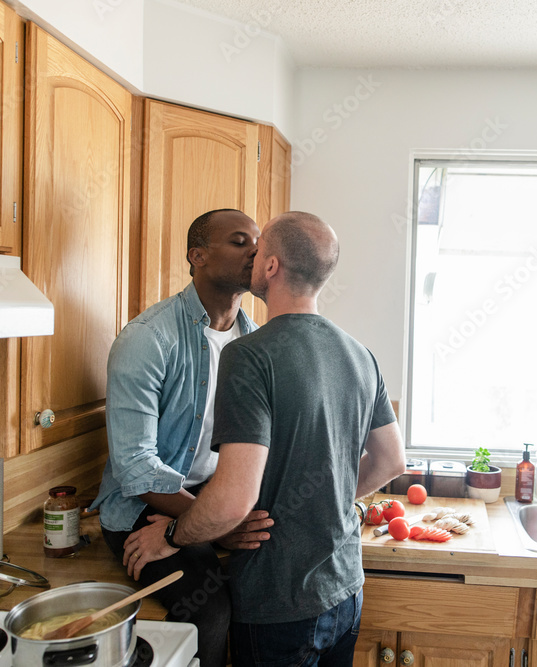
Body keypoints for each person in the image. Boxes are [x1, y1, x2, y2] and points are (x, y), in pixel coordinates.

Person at [122, 211, 407, 666]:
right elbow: (392, 461)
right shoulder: (360, 354)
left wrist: (173, 535)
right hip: (346, 590)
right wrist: (327, 499)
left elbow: (235, 499)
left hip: (280, 605)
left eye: (259, 249)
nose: (252, 255)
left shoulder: (250, 355)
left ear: (271, 268)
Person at [90, 208, 274, 667]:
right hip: (143, 506)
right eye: (238, 241)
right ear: (197, 256)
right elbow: (135, 468)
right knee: (207, 612)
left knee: (271, 586)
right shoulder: (148, 338)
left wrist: (218, 519)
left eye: (258, 240)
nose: (255, 250)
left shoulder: (257, 342)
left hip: (216, 495)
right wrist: (216, 526)